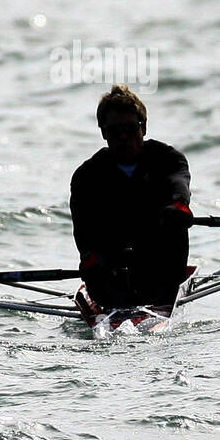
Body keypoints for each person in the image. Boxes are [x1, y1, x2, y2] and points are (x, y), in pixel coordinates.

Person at [70, 85, 193, 311]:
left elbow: (178, 182)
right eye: (115, 131)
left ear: (143, 128)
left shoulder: (168, 159)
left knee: (173, 223)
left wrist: (178, 204)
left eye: (130, 128)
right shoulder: (86, 176)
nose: (124, 137)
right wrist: (90, 257)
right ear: (104, 133)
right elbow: (83, 231)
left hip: (160, 268)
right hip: (110, 276)